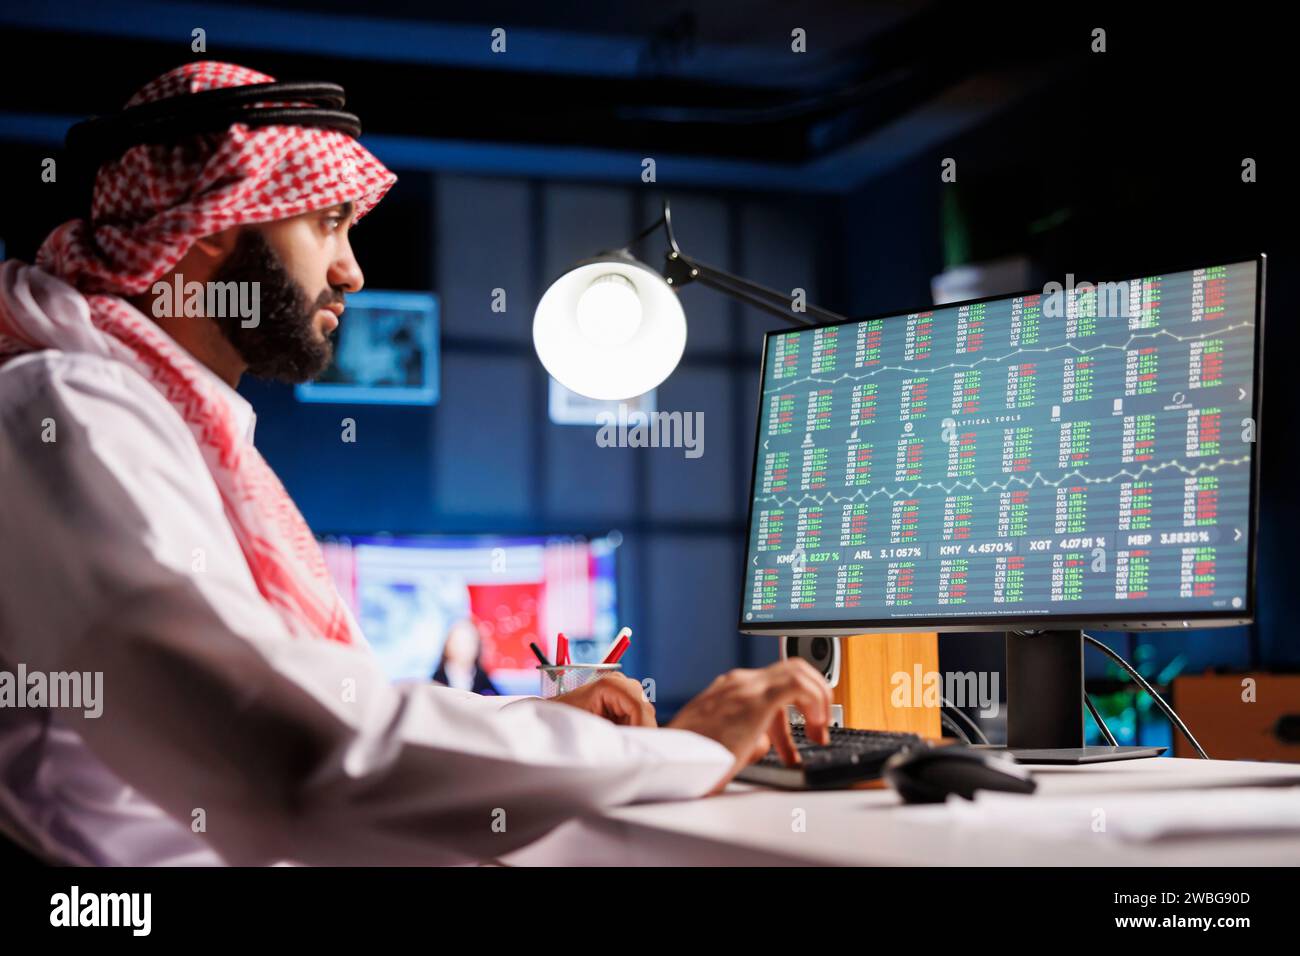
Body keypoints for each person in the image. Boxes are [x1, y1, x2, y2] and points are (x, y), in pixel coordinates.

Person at [0, 61, 831, 867]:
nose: (350, 271)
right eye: (327, 224)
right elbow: (299, 760)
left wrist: (551, 728)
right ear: (216, 223)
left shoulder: (137, 411)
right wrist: (684, 750)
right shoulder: (67, 412)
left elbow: (328, 703)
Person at [431, 618, 500, 696]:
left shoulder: (486, 684)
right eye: (459, 642)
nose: (464, 648)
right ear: (447, 645)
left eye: (469, 641)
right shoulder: (435, 683)